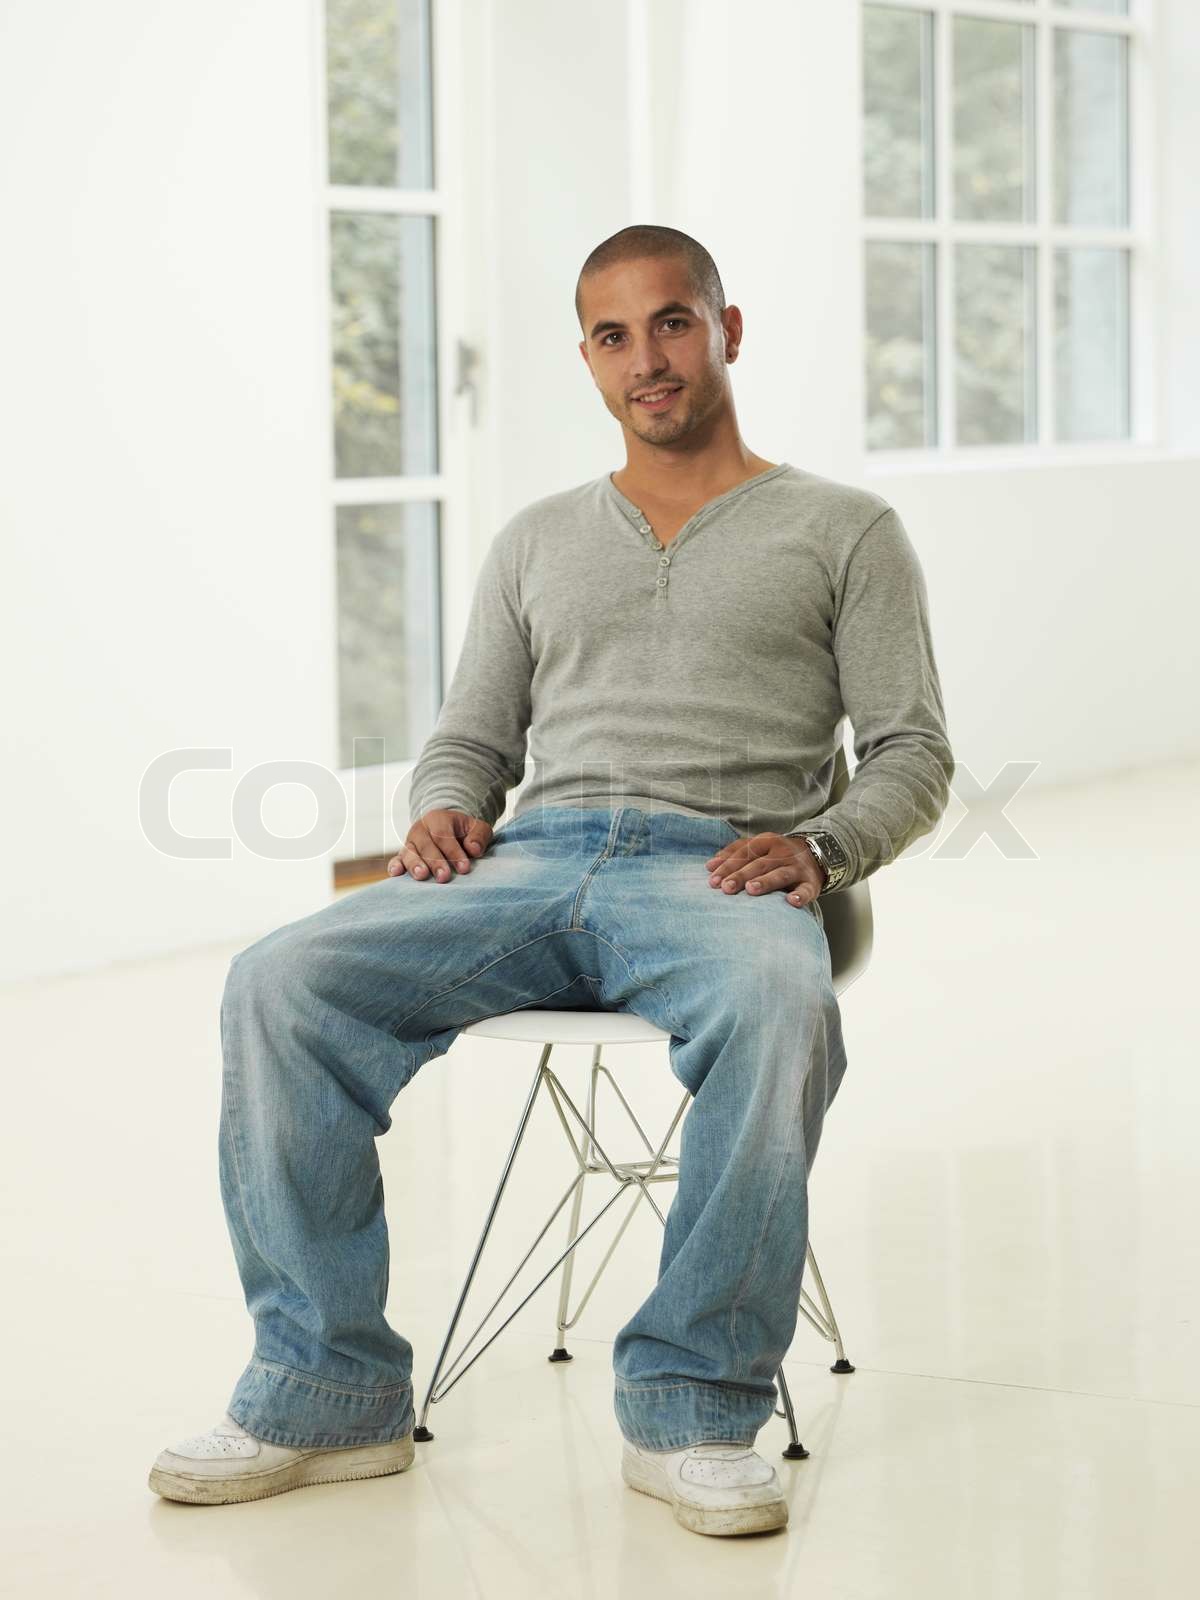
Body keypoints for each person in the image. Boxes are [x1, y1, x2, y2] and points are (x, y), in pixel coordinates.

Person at [149, 225, 955, 1536]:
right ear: (587, 357)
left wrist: (822, 850)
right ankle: (326, 1388)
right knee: (278, 981)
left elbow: (914, 752)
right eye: (613, 335)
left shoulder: (845, 531)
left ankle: (695, 1406)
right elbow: (472, 738)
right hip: (531, 862)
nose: (649, 359)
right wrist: (444, 808)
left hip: (720, 871)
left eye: (673, 322)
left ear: (727, 329)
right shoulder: (535, 539)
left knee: (780, 1006)